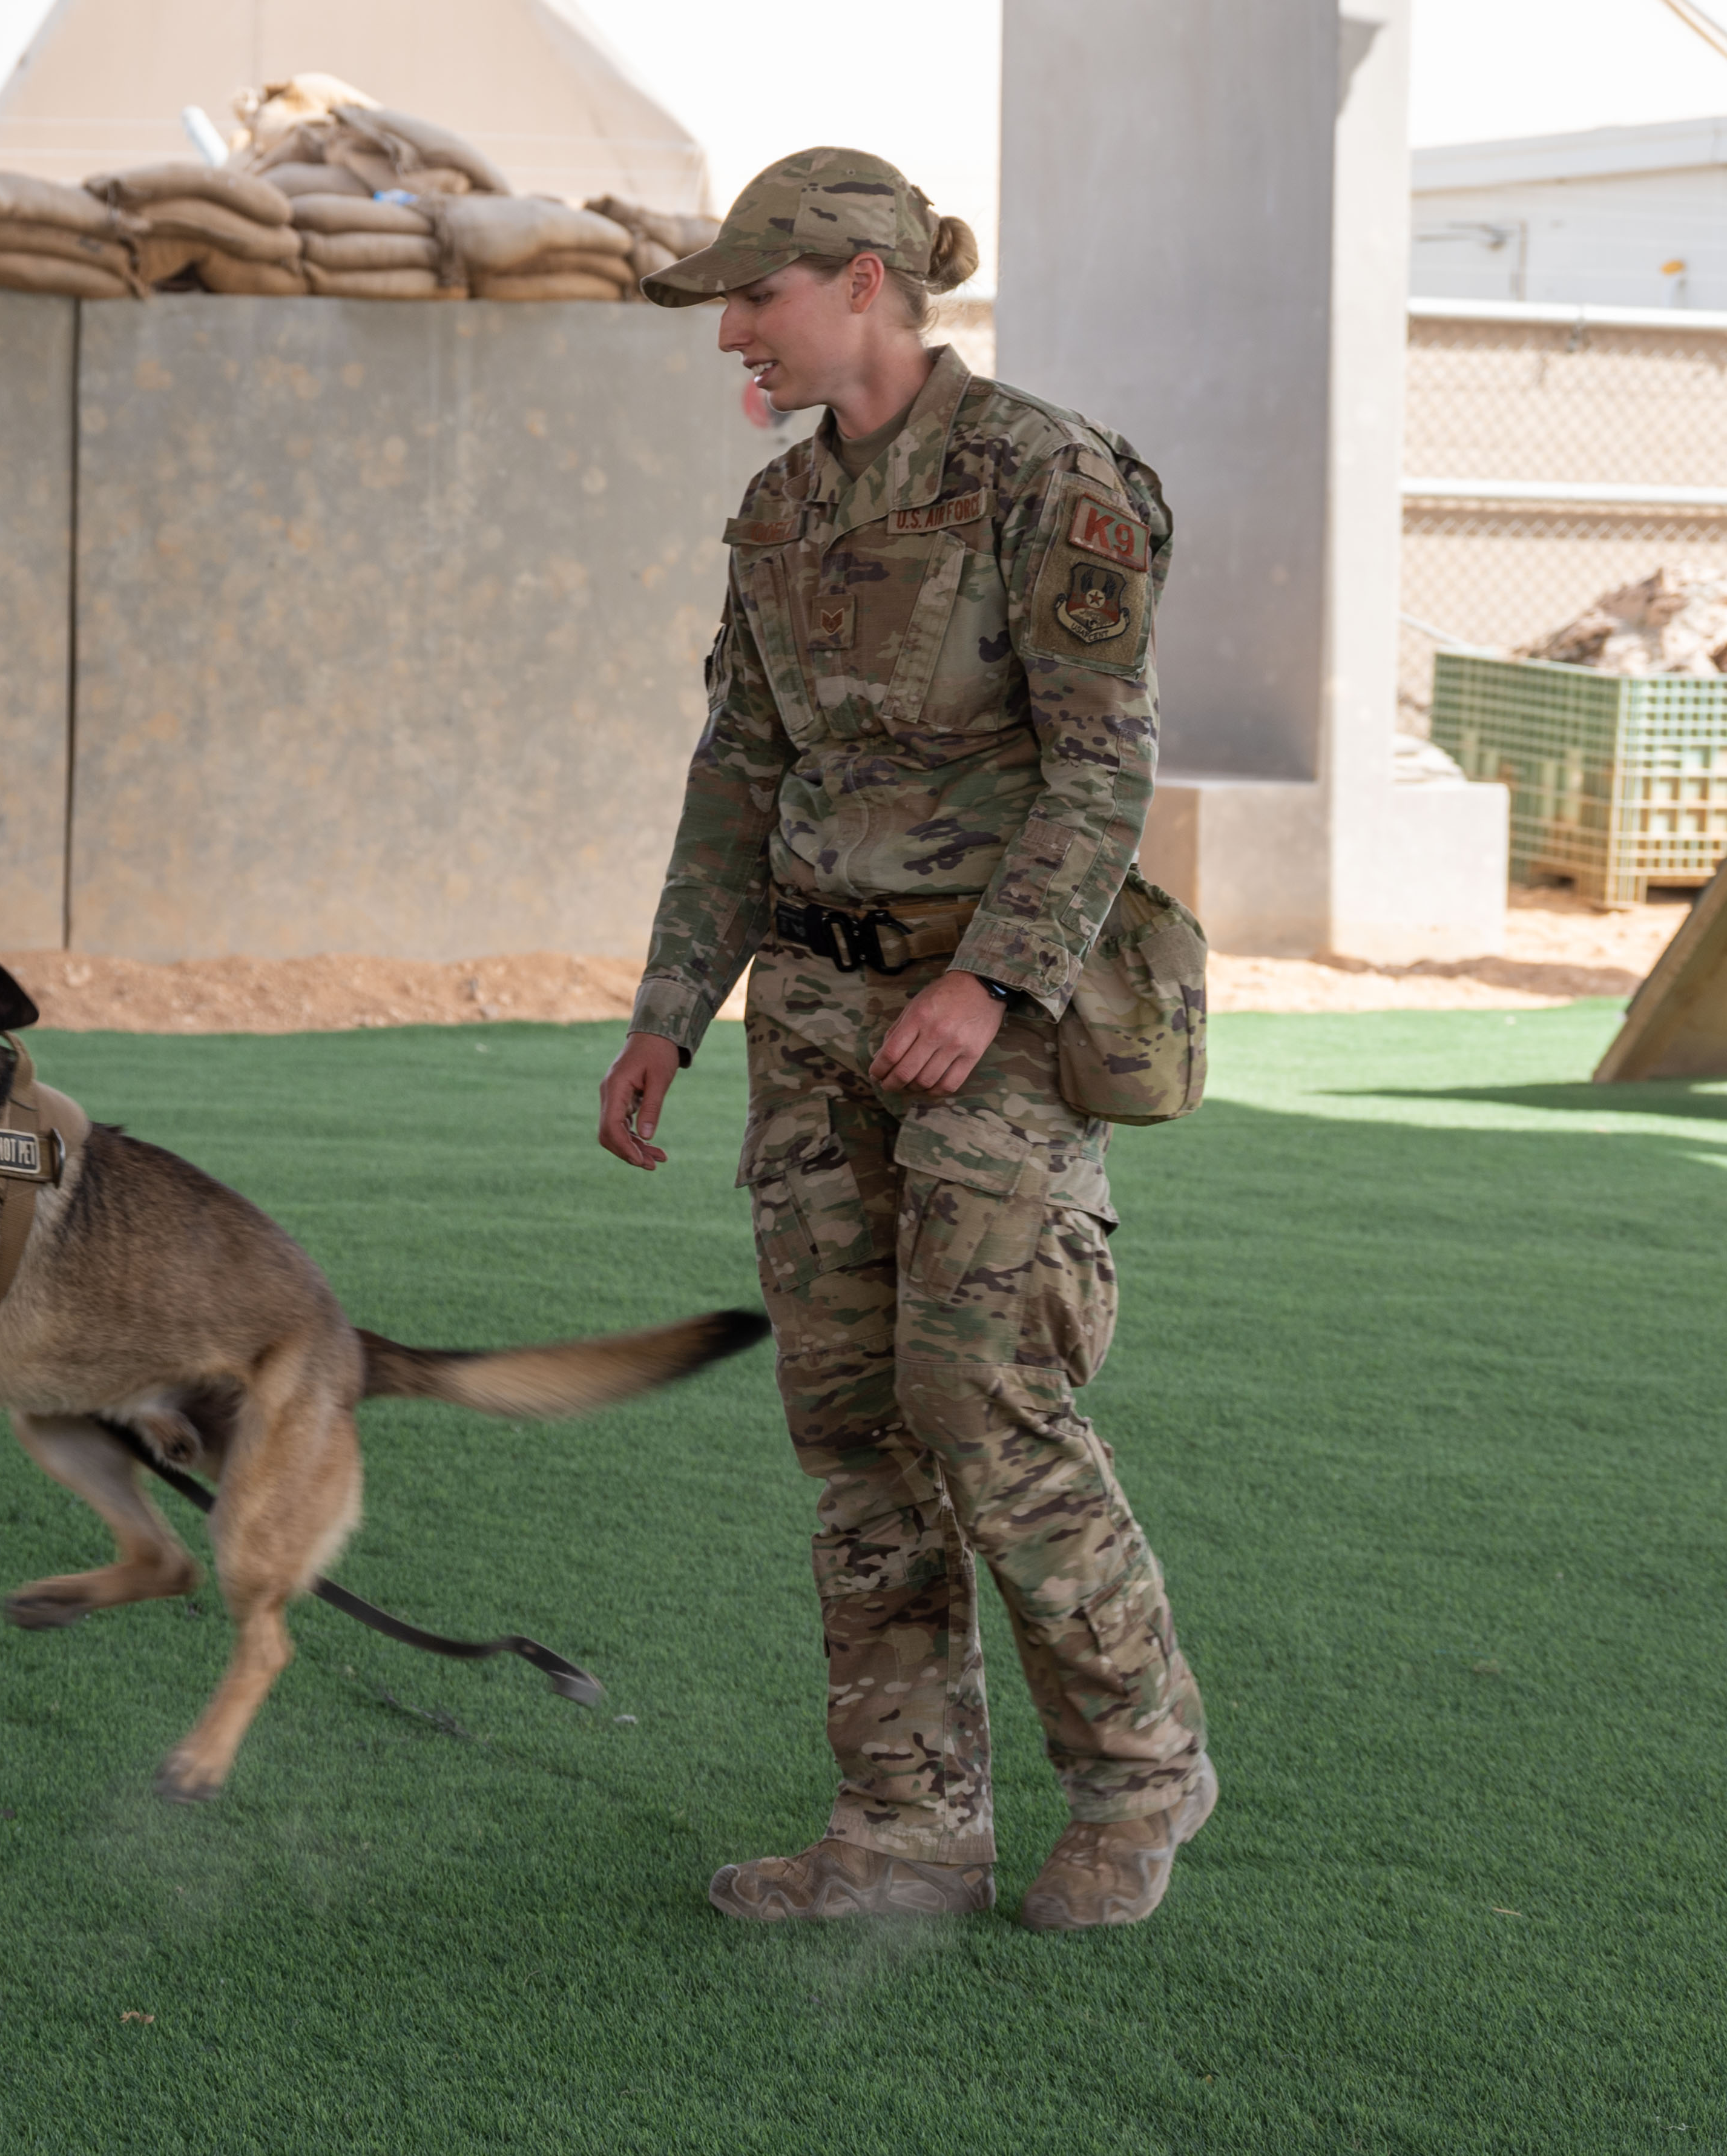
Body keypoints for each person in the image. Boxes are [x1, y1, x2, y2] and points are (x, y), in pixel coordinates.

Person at [596, 150, 1213, 1929]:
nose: (733, 330)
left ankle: (1141, 1770)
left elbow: (1103, 765)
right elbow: (741, 771)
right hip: (813, 1017)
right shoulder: (780, 516)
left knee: (981, 1392)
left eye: (755, 296)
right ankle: (906, 1826)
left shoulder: (1049, 479)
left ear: (860, 281)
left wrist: (994, 982)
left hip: (995, 1025)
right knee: (854, 1423)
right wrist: (669, 1010)